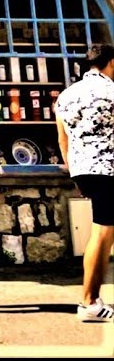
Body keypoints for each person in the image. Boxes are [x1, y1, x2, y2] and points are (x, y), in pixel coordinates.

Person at [56, 43, 114, 322]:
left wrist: (74, 170)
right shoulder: (112, 92)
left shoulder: (66, 96)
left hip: (83, 169)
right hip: (109, 168)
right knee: (102, 233)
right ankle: (89, 302)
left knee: (103, 230)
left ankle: (92, 299)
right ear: (110, 63)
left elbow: (62, 139)